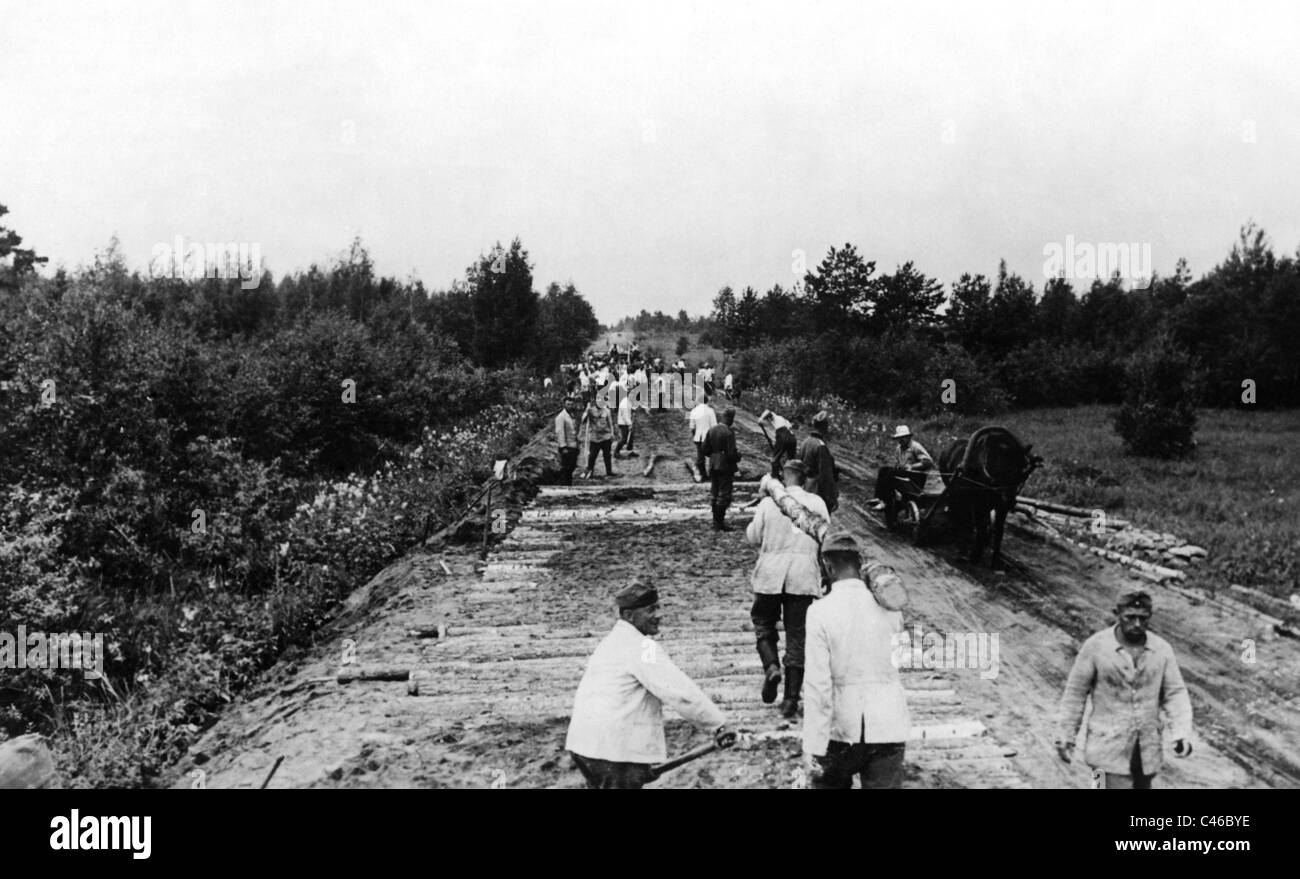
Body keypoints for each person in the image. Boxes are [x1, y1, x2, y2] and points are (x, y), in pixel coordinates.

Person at [565, 580, 737, 789]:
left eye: (658, 608)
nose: (658, 615)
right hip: (614, 752)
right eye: (650, 610)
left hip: (585, 745)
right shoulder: (641, 647)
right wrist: (718, 724)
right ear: (629, 615)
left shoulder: (611, 642)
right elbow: (680, 693)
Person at [1055, 586, 1194, 790]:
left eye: (1143, 618)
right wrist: (1066, 735)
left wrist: (1181, 733)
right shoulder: (1096, 646)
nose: (1137, 624)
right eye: (1130, 617)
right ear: (1117, 614)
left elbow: (1175, 693)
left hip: (1146, 752)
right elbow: (1075, 693)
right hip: (1105, 750)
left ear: (1149, 617)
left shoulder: (1161, 650)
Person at [803, 531, 910, 789]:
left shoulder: (819, 612)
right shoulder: (890, 607)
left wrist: (813, 745)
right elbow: (903, 660)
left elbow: (818, 685)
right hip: (889, 723)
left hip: (842, 729)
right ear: (860, 562)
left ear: (827, 565)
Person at [746, 459, 827, 718]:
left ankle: (771, 667)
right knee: (798, 636)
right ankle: (791, 699)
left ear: (783, 476)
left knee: (763, 621)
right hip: (802, 577)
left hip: (771, 573)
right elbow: (826, 538)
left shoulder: (769, 502)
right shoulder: (818, 504)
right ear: (805, 479)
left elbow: (753, 537)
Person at [871, 425, 936, 527]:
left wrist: (912, 466)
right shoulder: (899, 448)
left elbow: (928, 462)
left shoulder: (915, 446)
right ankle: (880, 498)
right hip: (904, 474)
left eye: (903, 437)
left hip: (915, 476)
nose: (901, 440)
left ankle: (884, 501)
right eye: (899, 438)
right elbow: (897, 463)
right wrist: (899, 467)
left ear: (908, 437)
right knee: (883, 470)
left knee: (891, 473)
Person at [702, 407, 742, 531]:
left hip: (713, 464)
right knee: (724, 494)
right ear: (729, 418)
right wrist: (738, 456)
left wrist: (714, 455)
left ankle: (715, 522)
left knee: (714, 492)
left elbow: (704, 449)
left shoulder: (712, 430)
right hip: (725, 466)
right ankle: (720, 523)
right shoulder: (729, 433)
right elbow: (731, 454)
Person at [799, 410, 839, 514]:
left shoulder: (805, 442)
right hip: (817, 492)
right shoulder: (821, 446)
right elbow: (825, 476)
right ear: (824, 426)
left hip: (805, 488)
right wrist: (831, 497)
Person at [580, 392, 616, 479]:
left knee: (607, 455)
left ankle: (609, 472)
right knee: (592, 456)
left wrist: (612, 433)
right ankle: (590, 471)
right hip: (595, 438)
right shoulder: (591, 410)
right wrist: (586, 411)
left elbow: (610, 423)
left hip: (606, 437)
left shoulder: (607, 411)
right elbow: (583, 421)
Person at [688, 393, 718, 481]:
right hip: (708, 436)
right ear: (706, 401)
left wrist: (695, 435)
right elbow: (714, 426)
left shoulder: (694, 411)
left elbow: (692, 427)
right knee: (712, 455)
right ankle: (712, 475)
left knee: (700, 457)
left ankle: (703, 476)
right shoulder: (710, 410)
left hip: (698, 436)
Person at [760, 409, 798, 478]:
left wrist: (760, 421)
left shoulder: (773, 418)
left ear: (769, 418)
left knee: (775, 458)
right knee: (791, 460)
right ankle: (792, 477)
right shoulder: (780, 418)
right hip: (792, 438)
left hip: (782, 435)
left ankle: (775, 477)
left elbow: (764, 417)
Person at [555, 396, 580, 485]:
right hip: (567, 447)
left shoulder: (572, 416)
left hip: (573, 445)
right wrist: (563, 447)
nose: (570, 406)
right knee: (566, 467)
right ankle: (564, 485)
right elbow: (560, 432)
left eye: (572, 404)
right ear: (564, 405)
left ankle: (568, 484)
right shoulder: (561, 417)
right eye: (568, 404)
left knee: (572, 467)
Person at [613, 385, 637, 458]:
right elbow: (625, 416)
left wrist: (633, 412)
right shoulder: (624, 403)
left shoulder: (629, 401)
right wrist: (630, 424)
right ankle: (616, 452)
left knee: (631, 437)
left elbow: (632, 410)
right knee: (624, 439)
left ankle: (630, 451)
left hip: (627, 421)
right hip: (623, 423)